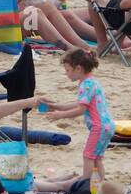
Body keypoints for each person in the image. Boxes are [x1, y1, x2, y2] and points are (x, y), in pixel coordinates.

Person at [43, 48, 116, 180]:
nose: (67, 74)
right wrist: (56, 106)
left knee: (88, 156)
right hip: (107, 126)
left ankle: (86, 184)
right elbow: (79, 104)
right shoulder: (91, 81)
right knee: (96, 158)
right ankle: (100, 184)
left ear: (78, 69)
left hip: (98, 127)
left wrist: (59, 115)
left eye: (68, 70)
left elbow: (79, 110)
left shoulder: (85, 85)